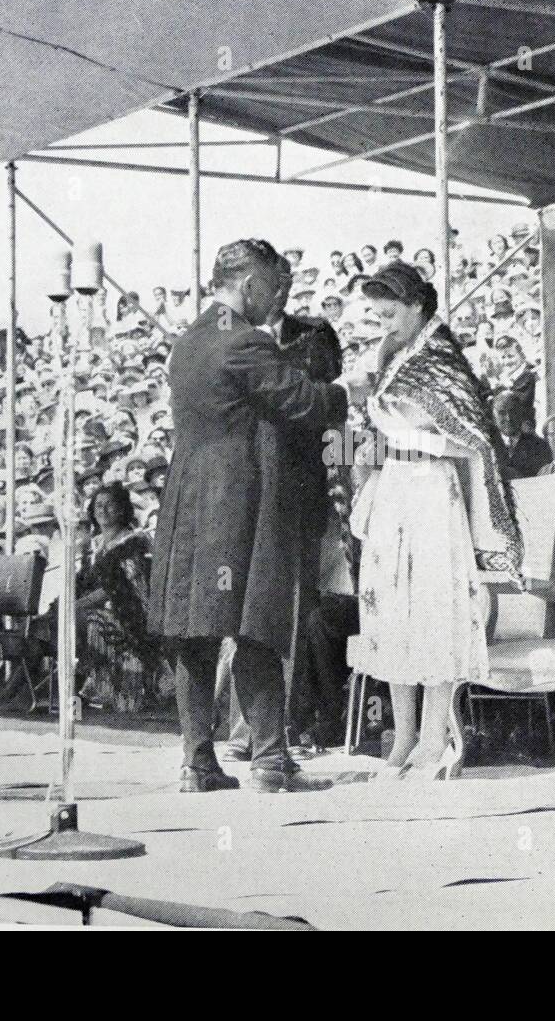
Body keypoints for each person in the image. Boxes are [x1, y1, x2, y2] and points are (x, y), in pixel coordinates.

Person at [147, 239, 353, 793]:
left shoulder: (189, 341)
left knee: (196, 632)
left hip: (190, 498)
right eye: (278, 288)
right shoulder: (244, 343)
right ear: (251, 284)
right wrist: (345, 391)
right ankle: (270, 763)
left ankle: (197, 762)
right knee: (255, 623)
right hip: (238, 502)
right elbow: (306, 404)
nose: (280, 300)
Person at [350, 261, 523, 779]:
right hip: (394, 489)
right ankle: (401, 736)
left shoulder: (442, 360)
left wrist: (412, 440)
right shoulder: (386, 354)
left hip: (430, 489)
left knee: (432, 609)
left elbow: (474, 439)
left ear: (418, 306)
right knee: (390, 610)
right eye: (379, 316)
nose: (386, 325)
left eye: (392, 314)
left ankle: (433, 737)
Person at [76, 483, 168, 713]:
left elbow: (126, 588)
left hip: (132, 613)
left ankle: (105, 690)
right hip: (96, 608)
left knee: (87, 620)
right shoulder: (94, 546)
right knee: (53, 621)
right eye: (98, 505)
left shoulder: (134, 542)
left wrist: (79, 605)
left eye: (110, 505)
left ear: (122, 509)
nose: (103, 510)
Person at [494, 391, 551, 479]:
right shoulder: (489, 447)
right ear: (494, 417)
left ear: (521, 413)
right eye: (502, 413)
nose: (508, 418)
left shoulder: (540, 446)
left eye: (512, 412)